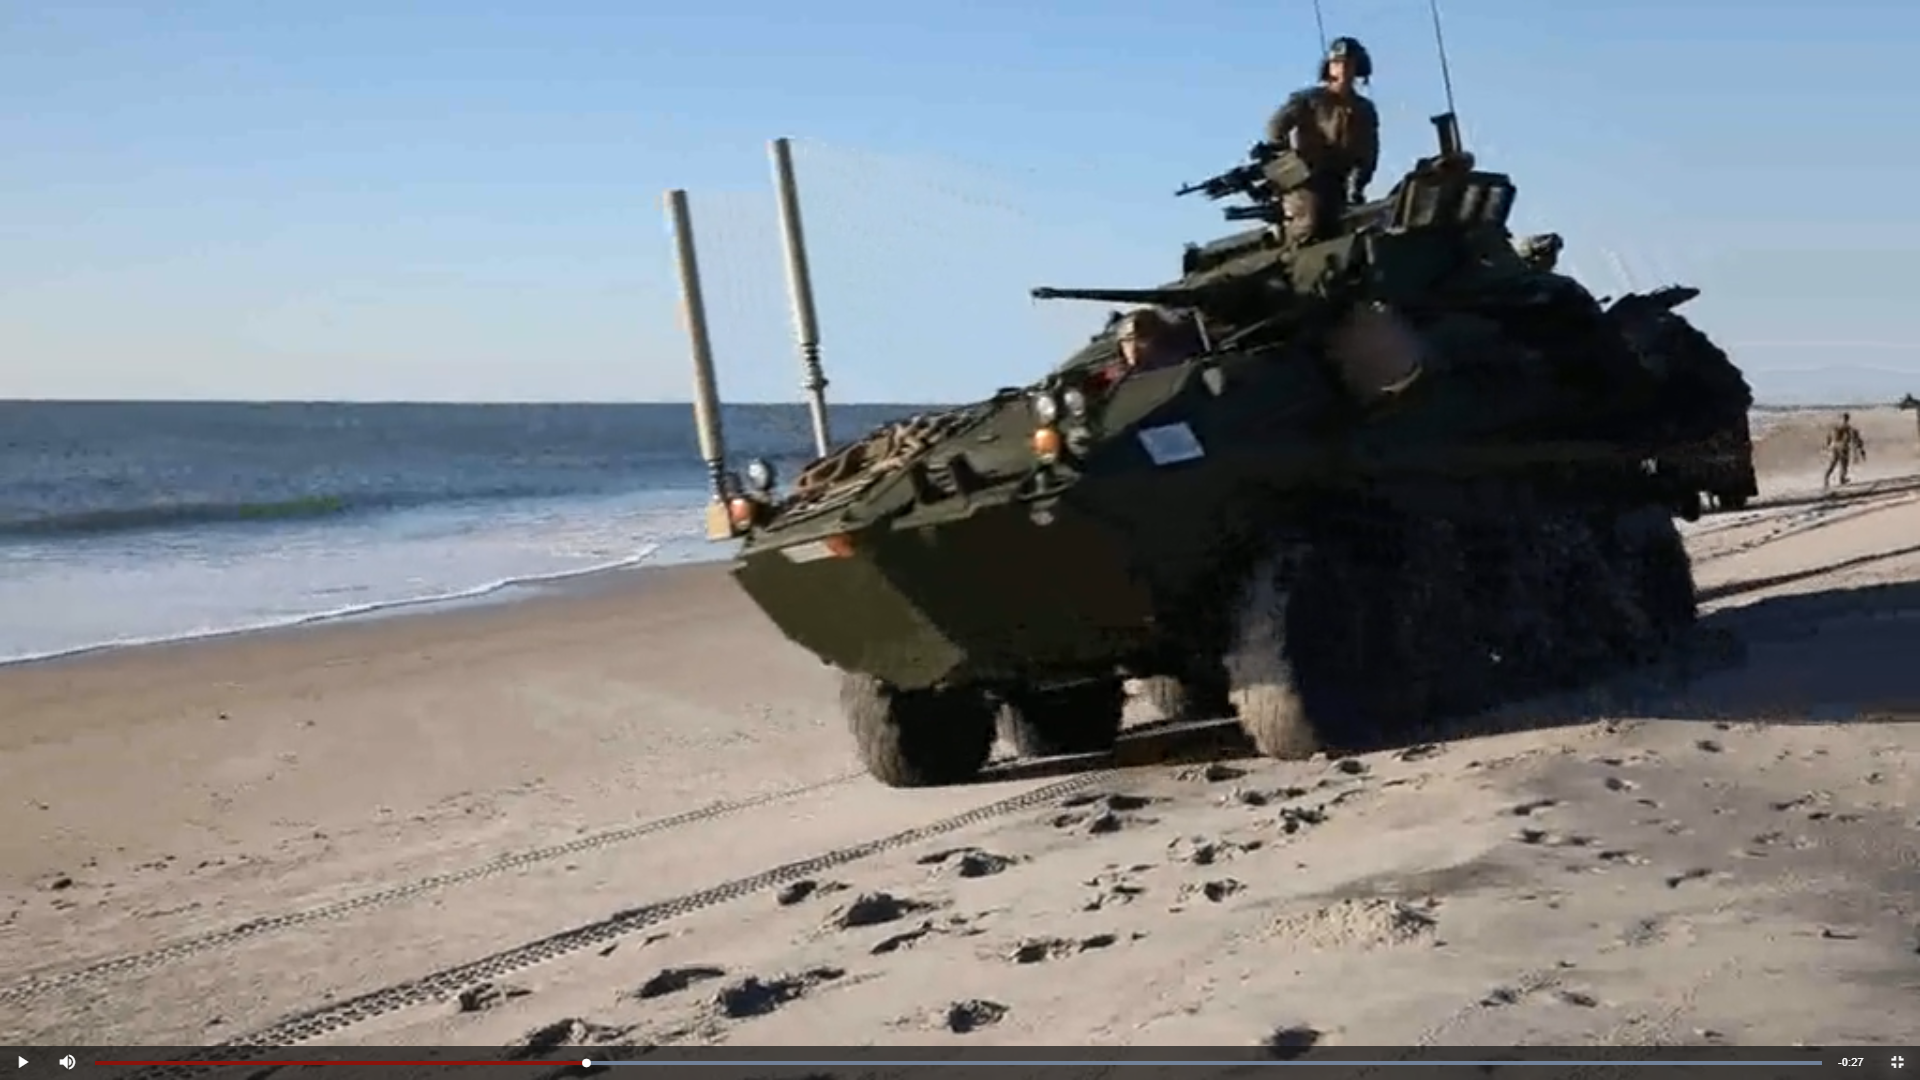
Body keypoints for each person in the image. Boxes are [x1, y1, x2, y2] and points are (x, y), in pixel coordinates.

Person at [1264, 36, 1381, 246]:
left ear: (1358, 68)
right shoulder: (1309, 101)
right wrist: (1290, 167)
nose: (1343, 69)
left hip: (1339, 181)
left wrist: (1358, 184)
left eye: (1349, 63)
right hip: (1306, 181)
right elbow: (1275, 129)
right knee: (1313, 222)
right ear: (1329, 68)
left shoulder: (1364, 109)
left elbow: (1369, 153)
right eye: (1337, 63)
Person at [1115, 307, 1202, 373]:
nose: (1134, 347)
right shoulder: (1119, 376)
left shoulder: (1185, 347)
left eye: (1142, 338)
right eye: (1127, 341)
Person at [1823, 412, 1867, 488]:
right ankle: (1842, 479)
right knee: (1844, 465)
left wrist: (1827, 448)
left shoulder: (1834, 428)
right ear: (1848, 419)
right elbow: (1857, 441)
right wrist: (1862, 452)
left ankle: (1826, 479)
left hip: (1834, 447)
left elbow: (1828, 439)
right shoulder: (1850, 428)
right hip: (1843, 447)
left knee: (1832, 464)